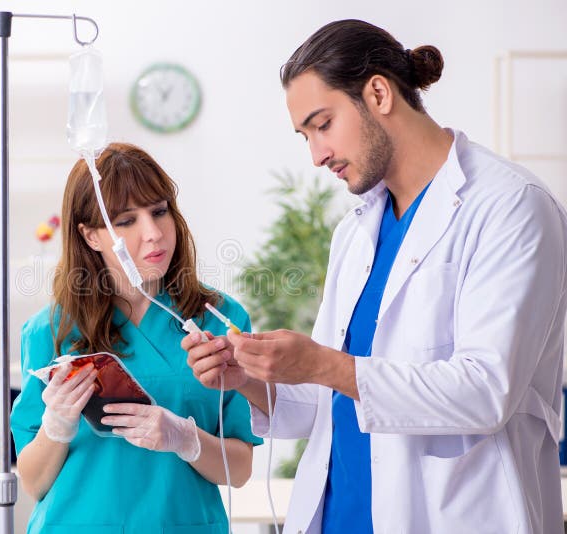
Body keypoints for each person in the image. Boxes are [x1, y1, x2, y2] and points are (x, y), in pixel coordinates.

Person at [183, 19, 567, 534]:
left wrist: (322, 364)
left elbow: (484, 391)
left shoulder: (510, 207)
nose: (316, 156)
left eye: (323, 125)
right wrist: (250, 379)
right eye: (305, 135)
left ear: (379, 93)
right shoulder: (357, 229)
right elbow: (322, 400)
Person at [11, 142, 262, 533]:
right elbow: (33, 481)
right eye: (126, 220)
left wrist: (186, 438)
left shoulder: (219, 320)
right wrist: (55, 426)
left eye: (159, 211)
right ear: (91, 235)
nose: (153, 233)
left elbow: (240, 470)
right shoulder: (52, 331)